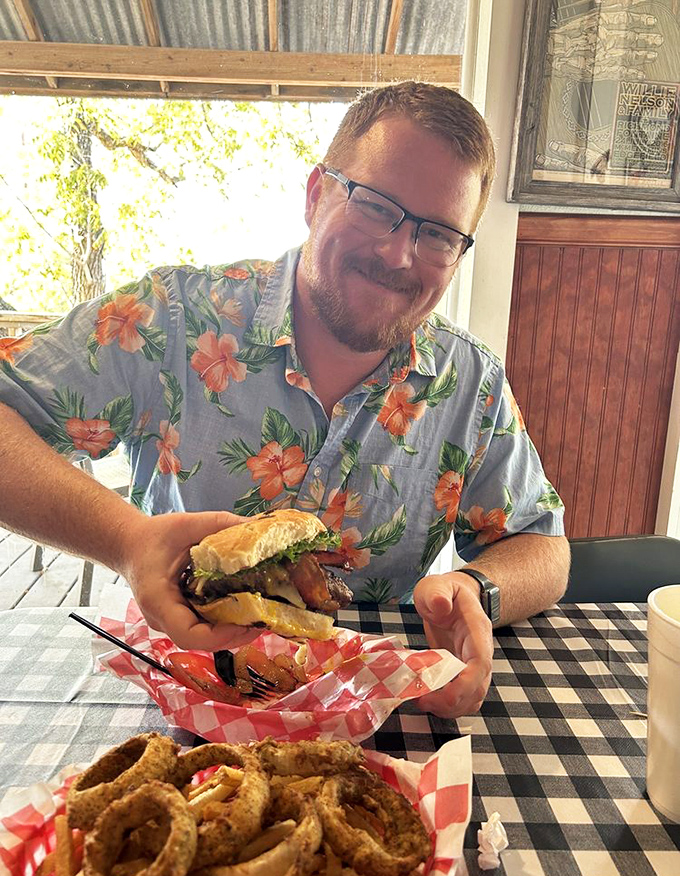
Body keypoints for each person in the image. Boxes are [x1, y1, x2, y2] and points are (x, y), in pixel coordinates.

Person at [0, 81, 569, 719]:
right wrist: (129, 540)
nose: (398, 253)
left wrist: (473, 588)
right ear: (316, 193)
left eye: (438, 235)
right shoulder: (172, 319)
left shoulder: (472, 383)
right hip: (178, 694)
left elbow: (544, 547)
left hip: (368, 714)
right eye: (377, 205)